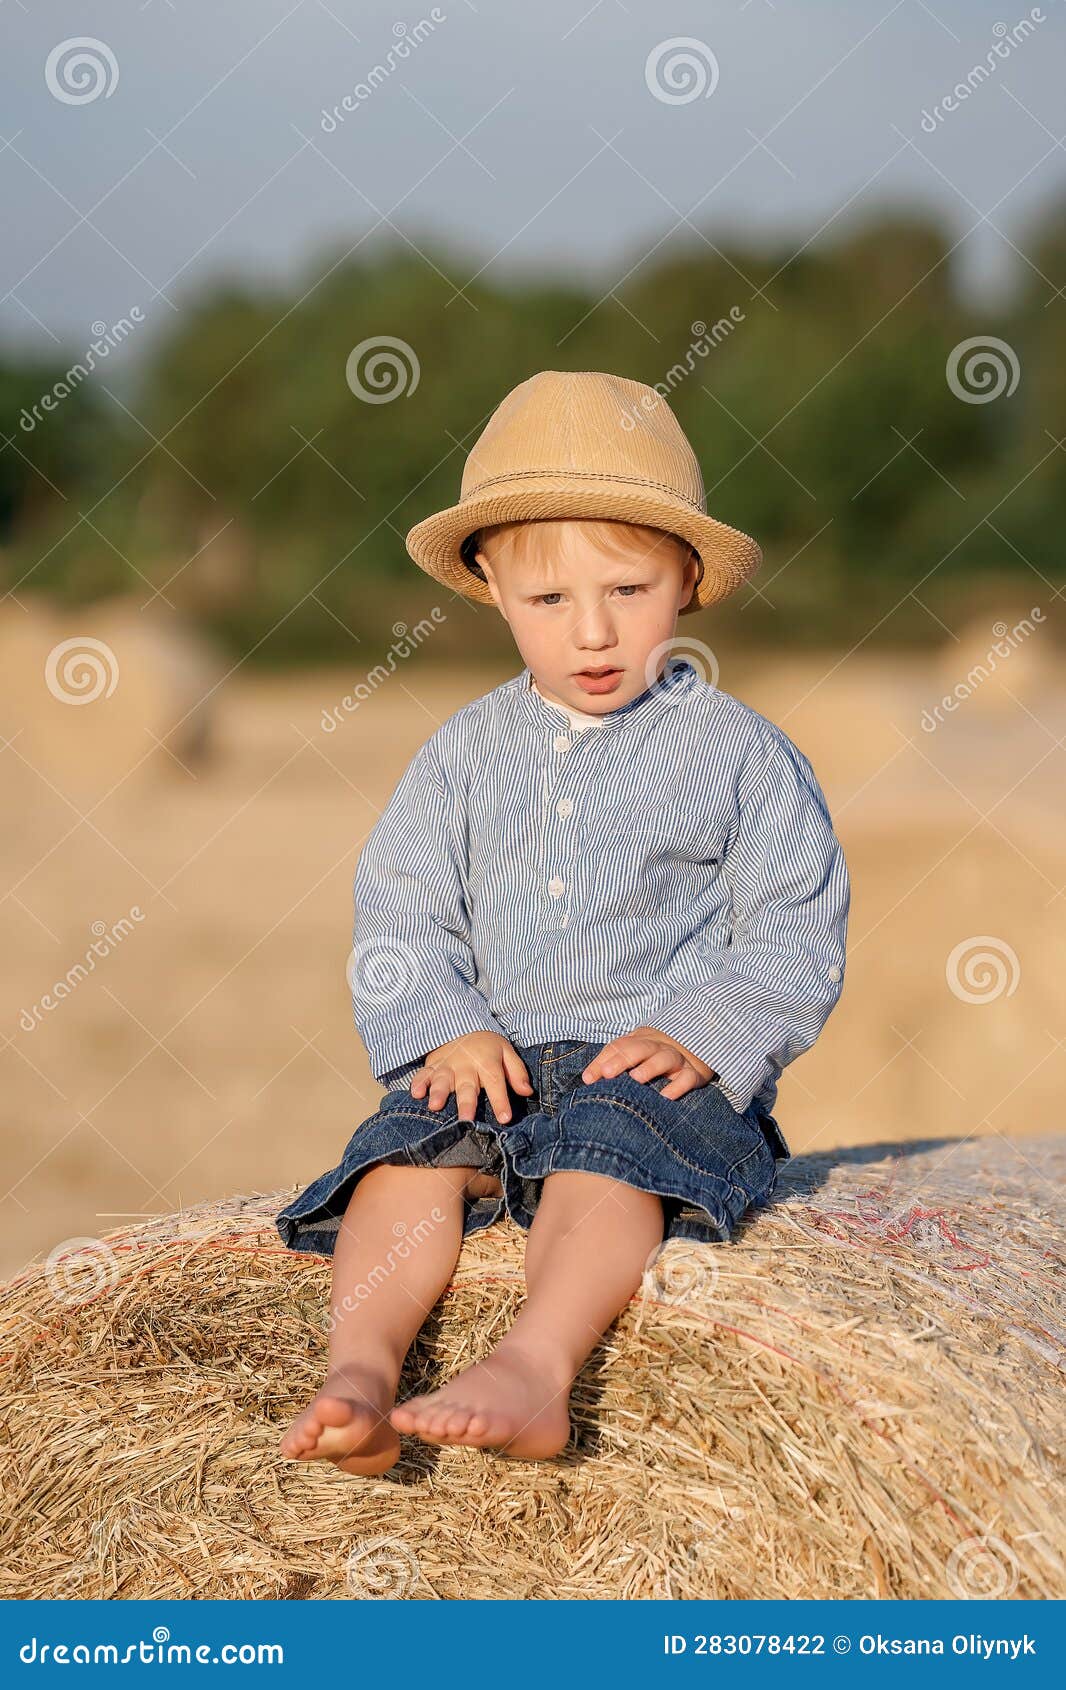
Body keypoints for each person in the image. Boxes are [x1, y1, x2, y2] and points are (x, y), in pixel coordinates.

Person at [275, 370, 850, 1474]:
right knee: (406, 1156)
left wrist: (703, 1032)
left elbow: (791, 927)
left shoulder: (739, 754)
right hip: (485, 1058)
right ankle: (358, 1367)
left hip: (648, 1075)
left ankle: (535, 1367)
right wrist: (440, 1025)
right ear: (490, 586)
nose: (592, 633)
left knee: (612, 1156)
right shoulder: (456, 756)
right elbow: (399, 907)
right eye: (550, 603)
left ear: (688, 579)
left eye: (629, 591)